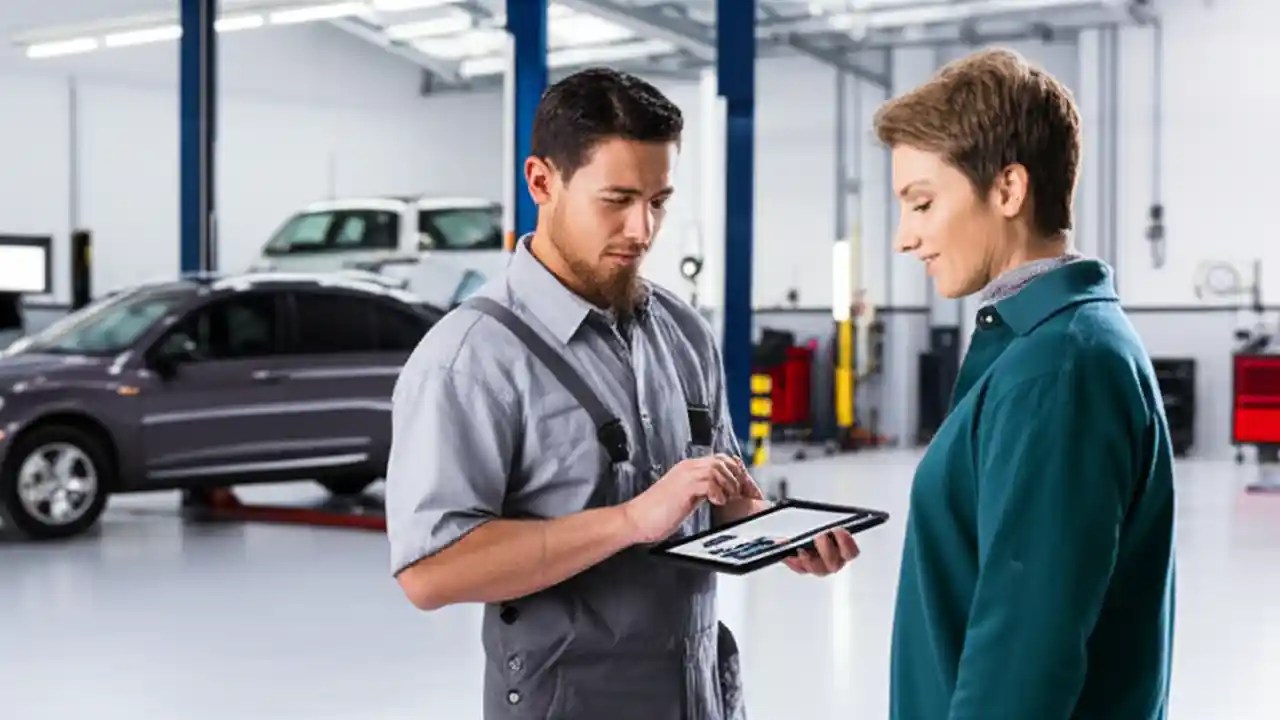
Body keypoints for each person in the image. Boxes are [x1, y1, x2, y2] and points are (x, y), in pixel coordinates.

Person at [384, 67, 859, 720]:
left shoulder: (684, 332)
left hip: (697, 696)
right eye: (617, 199)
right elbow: (430, 571)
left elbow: (713, 500)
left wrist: (768, 530)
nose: (643, 229)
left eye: (659, 200)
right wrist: (633, 520)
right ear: (541, 182)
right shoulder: (471, 358)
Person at [875, 48, 1176, 719]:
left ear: (1008, 190)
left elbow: (1023, 656)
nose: (905, 237)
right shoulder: (1044, 346)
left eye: (921, 204)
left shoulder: (1059, 369)